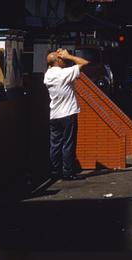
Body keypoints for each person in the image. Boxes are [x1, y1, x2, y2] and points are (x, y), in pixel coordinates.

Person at [44, 48, 89, 180]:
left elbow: (51, 63)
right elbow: (84, 63)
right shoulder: (64, 74)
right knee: (68, 143)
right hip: (68, 113)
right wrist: (69, 56)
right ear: (58, 61)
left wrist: (58, 56)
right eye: (62, 60)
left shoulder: (47, 75)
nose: (64, 61)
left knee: (55, 144)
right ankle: (67, 172)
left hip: (54, 114)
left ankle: (54, 172)